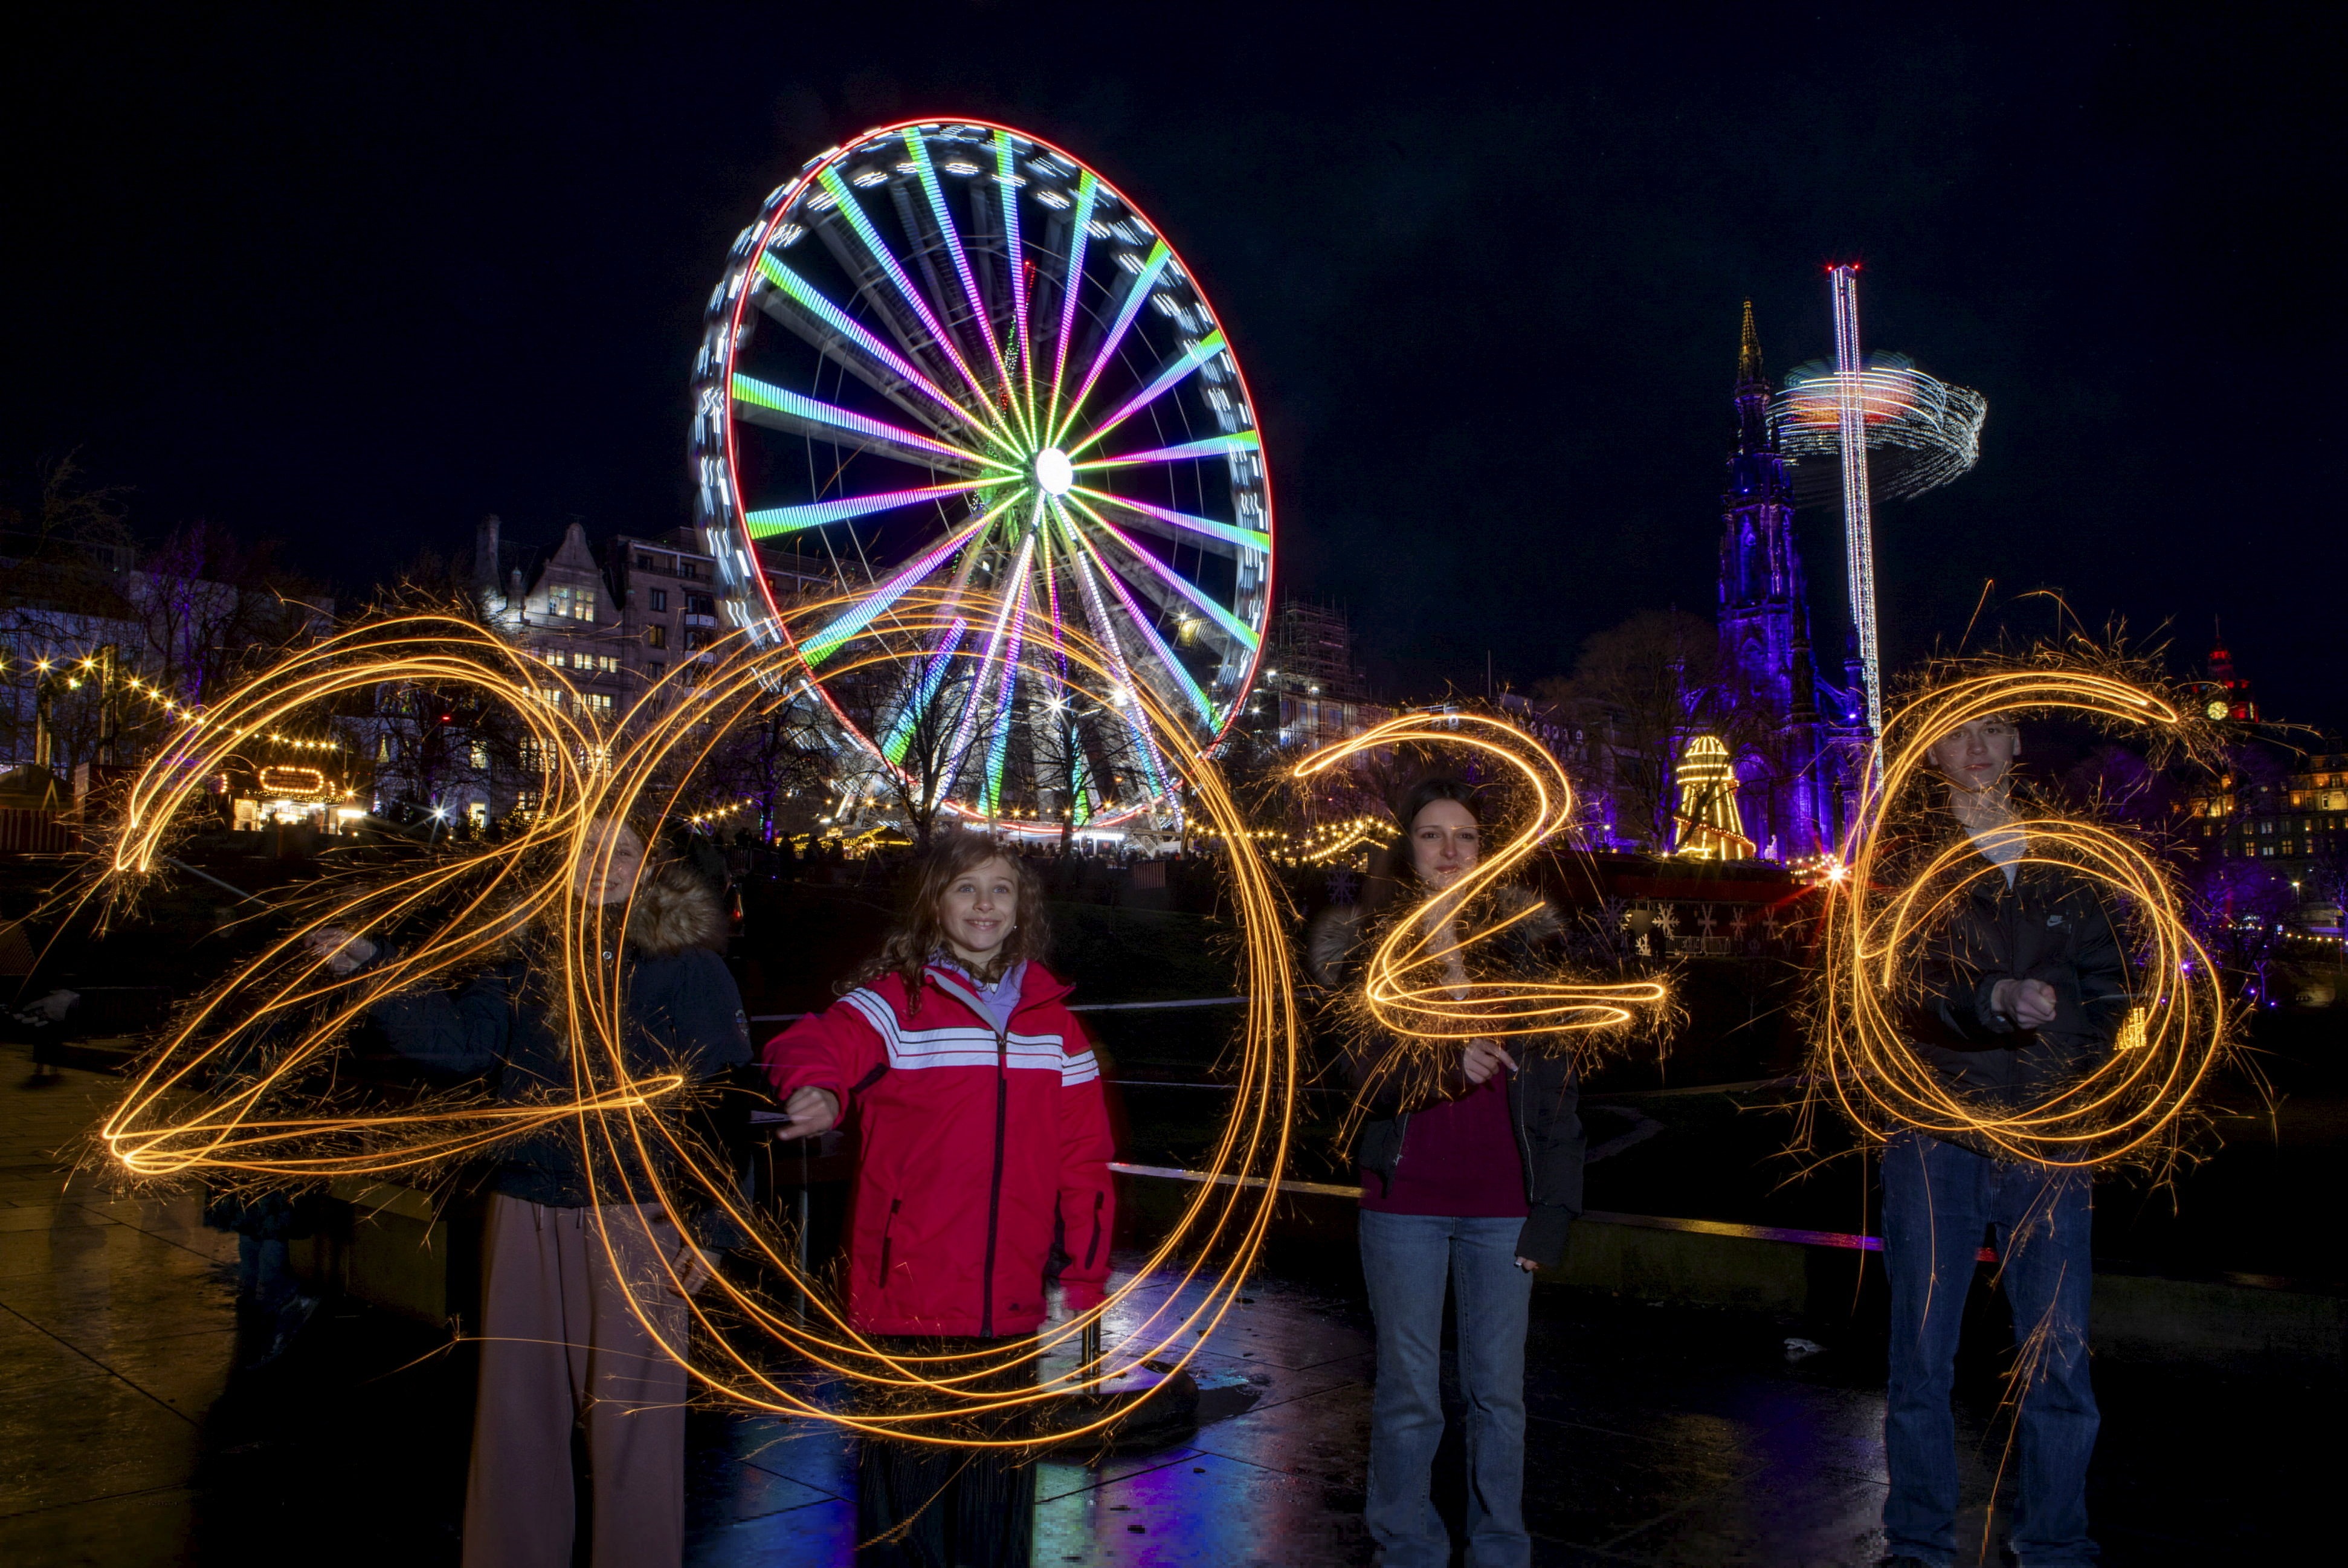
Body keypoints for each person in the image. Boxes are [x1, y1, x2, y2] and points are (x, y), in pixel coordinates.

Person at [308, 816, 751, 1568]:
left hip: (637, 1215)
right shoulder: (520, 956)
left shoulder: (685, 963)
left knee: (634, 1430)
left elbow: (722, 1100)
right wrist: (377, 970)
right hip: (525, 1210)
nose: (606, 864)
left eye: (625, 851)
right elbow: (456, 1049)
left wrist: (713, 1228)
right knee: (515, 1424)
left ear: (651, 866)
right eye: (589, 851)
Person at [762, 834, 1114, 1568]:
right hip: (908, 1305)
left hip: (1008, 1308)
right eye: (965, 888)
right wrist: (817, 1088)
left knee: (995, 1514)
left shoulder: (1056, 1026)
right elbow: (813, 1040)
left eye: (1001, 889)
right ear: (934, 903)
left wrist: (1084, 1273)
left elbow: (1084, 1159)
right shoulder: (896, 1004)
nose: (984, 904)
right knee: (906, 1518)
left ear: (1022, 909)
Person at [1308, 776, 1582, 1568]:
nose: (1450, 849)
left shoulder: (1527, 949)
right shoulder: (1368, 954)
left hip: (1504, 1203)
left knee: (1499, 1395)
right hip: (1405, 1202)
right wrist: (1444, 1064)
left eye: (1464, 835)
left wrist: (1556, 1207)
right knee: (1408, 1395)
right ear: (1407, 848)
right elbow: (1355, 1076)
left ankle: (1500, 1547)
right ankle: (1407, 1546)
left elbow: (1562, 1090)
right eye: (1431, 834)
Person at [1879, 715, 2124, 1568]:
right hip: (1936, 1130)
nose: (1975, 746)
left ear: (2017, 744)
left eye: (1992, 729)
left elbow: (2109, 983)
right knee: (1920, 1353)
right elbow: (1898, 981)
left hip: (2051, 1139)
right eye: (1955, 735)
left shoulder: (2068, 855)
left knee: (2057, 1358)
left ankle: (2056, 1542)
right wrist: (1992, 999)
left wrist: (2075, 1072)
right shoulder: (1907, 857)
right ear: (1932, 756)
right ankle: (1916, 1542)